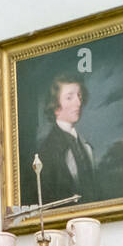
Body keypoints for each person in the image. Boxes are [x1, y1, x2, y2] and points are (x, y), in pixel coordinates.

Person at [32, 75, 99, 205]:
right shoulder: (47, 150)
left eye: (79, 96)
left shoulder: (85, 146)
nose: (78, 103)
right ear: (55, 105)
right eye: (69, 98)